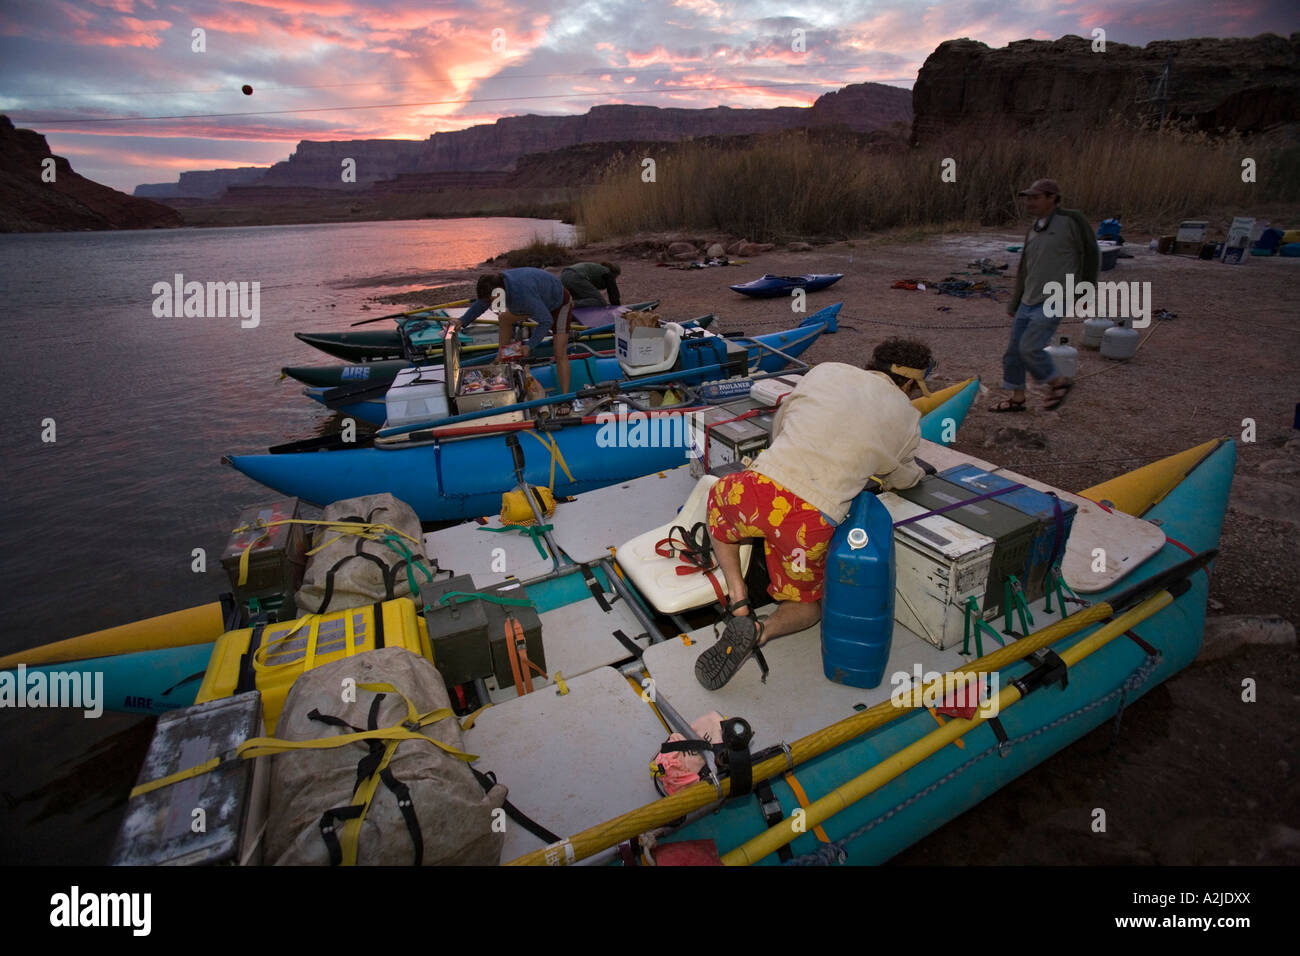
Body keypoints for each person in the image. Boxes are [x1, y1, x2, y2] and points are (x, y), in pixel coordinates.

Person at [694, 339, 933, 690]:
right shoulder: (908, 418)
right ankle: (762, 630)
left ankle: (738, 597)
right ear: (910, 384)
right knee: (809, 604)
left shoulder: (826, 370)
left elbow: (782, 424)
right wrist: (918, 476)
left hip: (756, 489)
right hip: (808, 518)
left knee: (718, 507)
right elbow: (899, 476)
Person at [992, 178, 1098, 413]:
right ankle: (1017, 400)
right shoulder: (1033, 228)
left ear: (1052, 198)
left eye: (1035, 197)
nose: (1029, 202)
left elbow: (1091, 254)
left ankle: (1058, 382)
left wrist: (1086, 288)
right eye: (1027, 198)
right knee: (1013, 353)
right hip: (1028, 299)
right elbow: (1024, 267)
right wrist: (1015, 301)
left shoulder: (1072, 221)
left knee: (1030, 348)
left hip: (1055, 297)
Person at [446, 268, 575, 395]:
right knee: (504, 318)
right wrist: (461, 321)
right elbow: (481, 304)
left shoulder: (522, 294)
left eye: (492, 301)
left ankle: (565, 399)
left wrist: (529, 345)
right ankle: (501, 358)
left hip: (559, 303)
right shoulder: (497, 286)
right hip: (538, 301)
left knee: (559, 353)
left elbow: (546, 320)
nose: (491, 305)